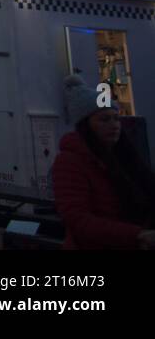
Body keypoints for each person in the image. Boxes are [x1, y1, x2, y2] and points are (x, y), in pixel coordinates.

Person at [51, 75, 155, 249]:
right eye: (104, 119)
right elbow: (78, 220)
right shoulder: (69, 162)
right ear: (86, 125)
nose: (114, 125)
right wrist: (136, 235)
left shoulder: (125, 158)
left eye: (116, 118)